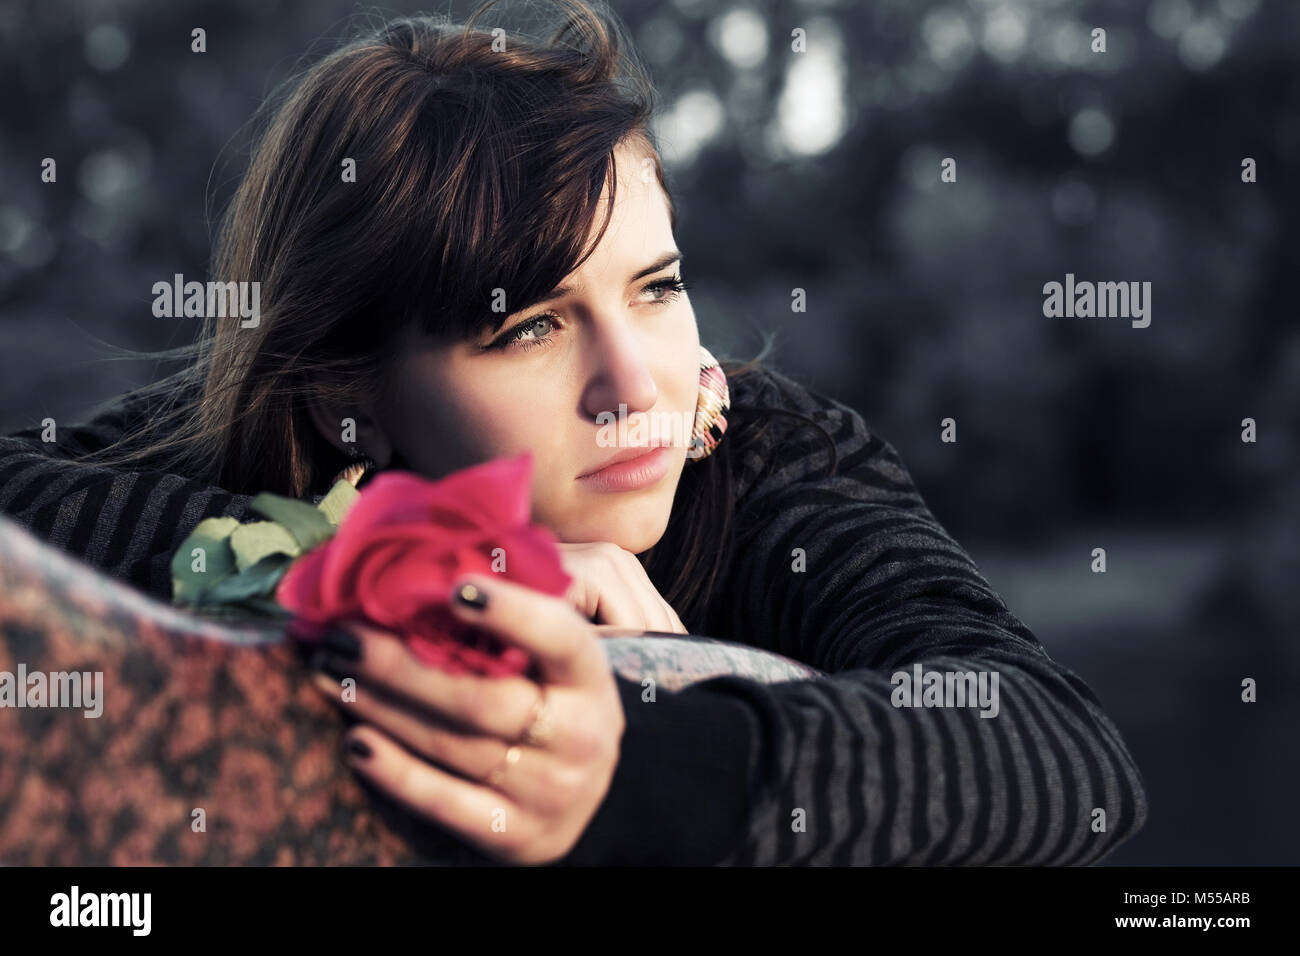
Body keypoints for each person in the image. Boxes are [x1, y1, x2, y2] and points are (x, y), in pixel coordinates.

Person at [0, 0, 1147, 865]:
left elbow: (1063, 749)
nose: (630, 382)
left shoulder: (771, 454)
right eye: (531, 325)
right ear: (349, 393)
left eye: (655, 287)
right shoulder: (254, 443)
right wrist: (454, 565)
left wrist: (639, 762)